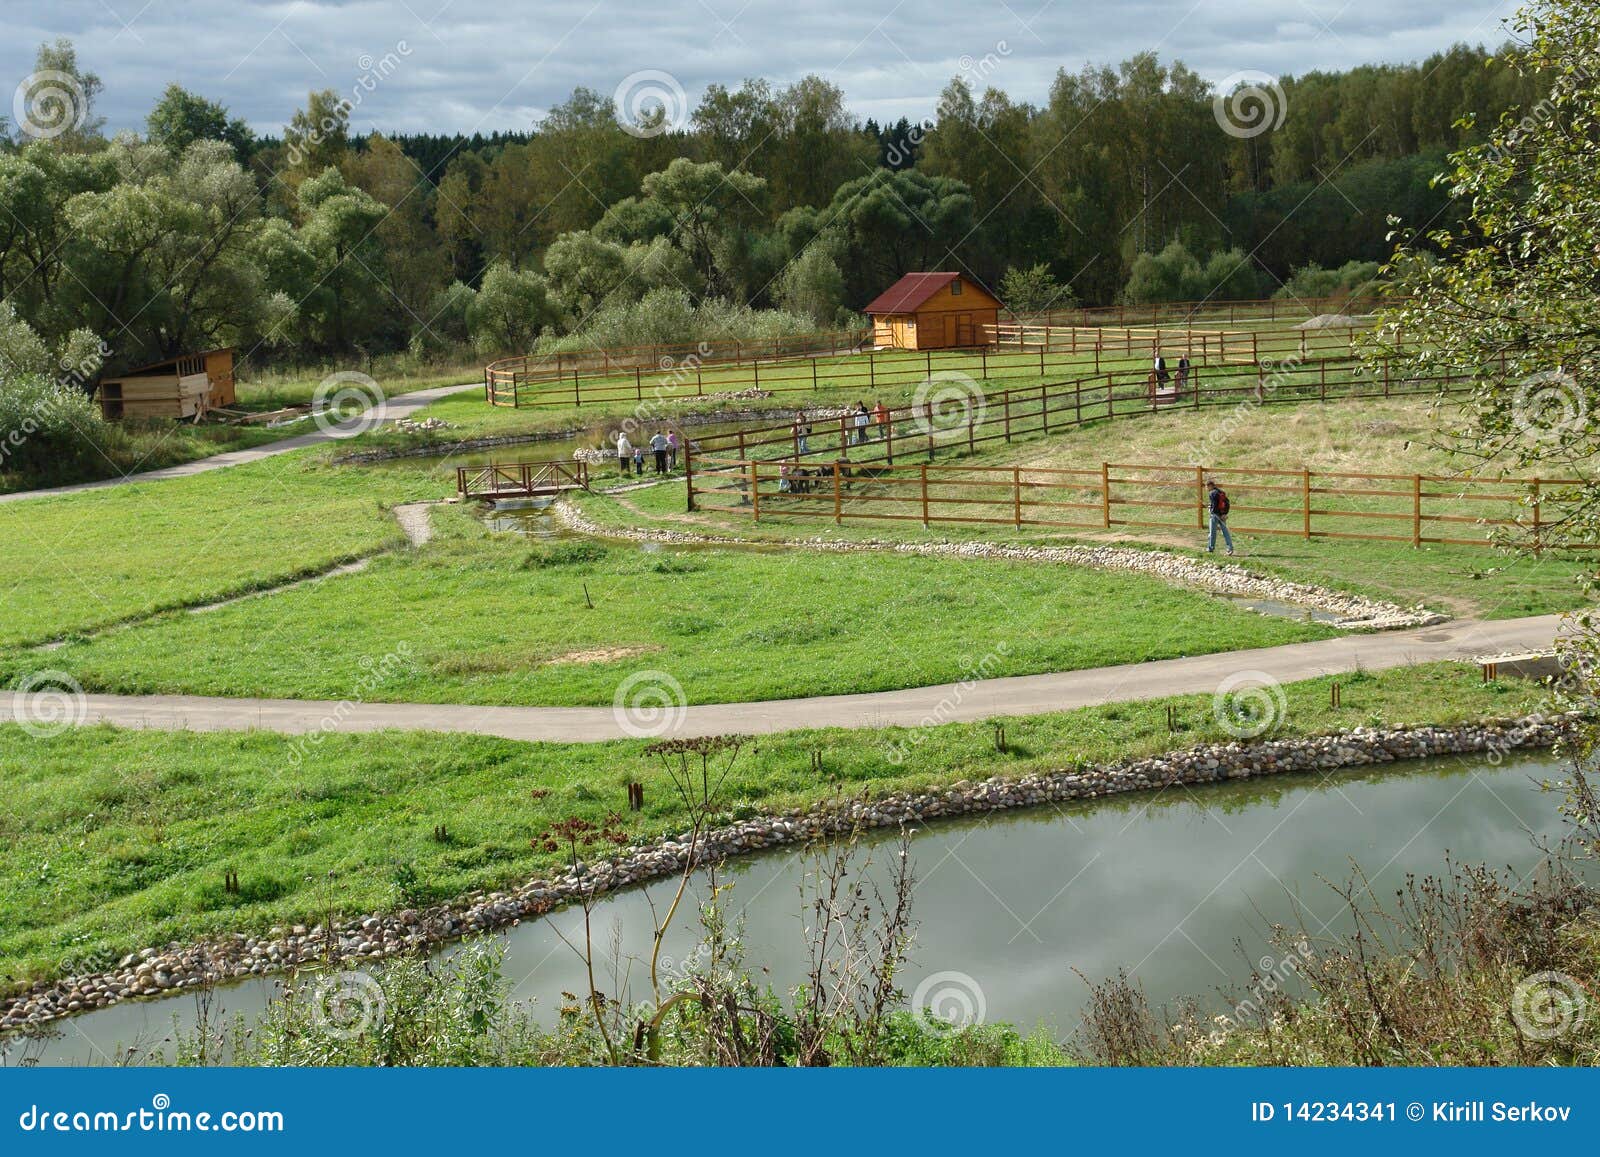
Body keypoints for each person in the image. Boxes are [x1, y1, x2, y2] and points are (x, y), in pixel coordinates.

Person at [1206, 479, 1235, 555]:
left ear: (1210, 486)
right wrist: (1224, 514)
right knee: (1225, 532)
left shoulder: (1212, 493)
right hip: (1222, 515)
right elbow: (1227, 503)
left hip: (1214, 515)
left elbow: (1215, 506)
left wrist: (1210, 510)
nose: (1206, 489)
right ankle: (1230, 548)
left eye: (1207, 487)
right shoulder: (1221, 492)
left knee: (1212, 532)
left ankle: (1210, 548)